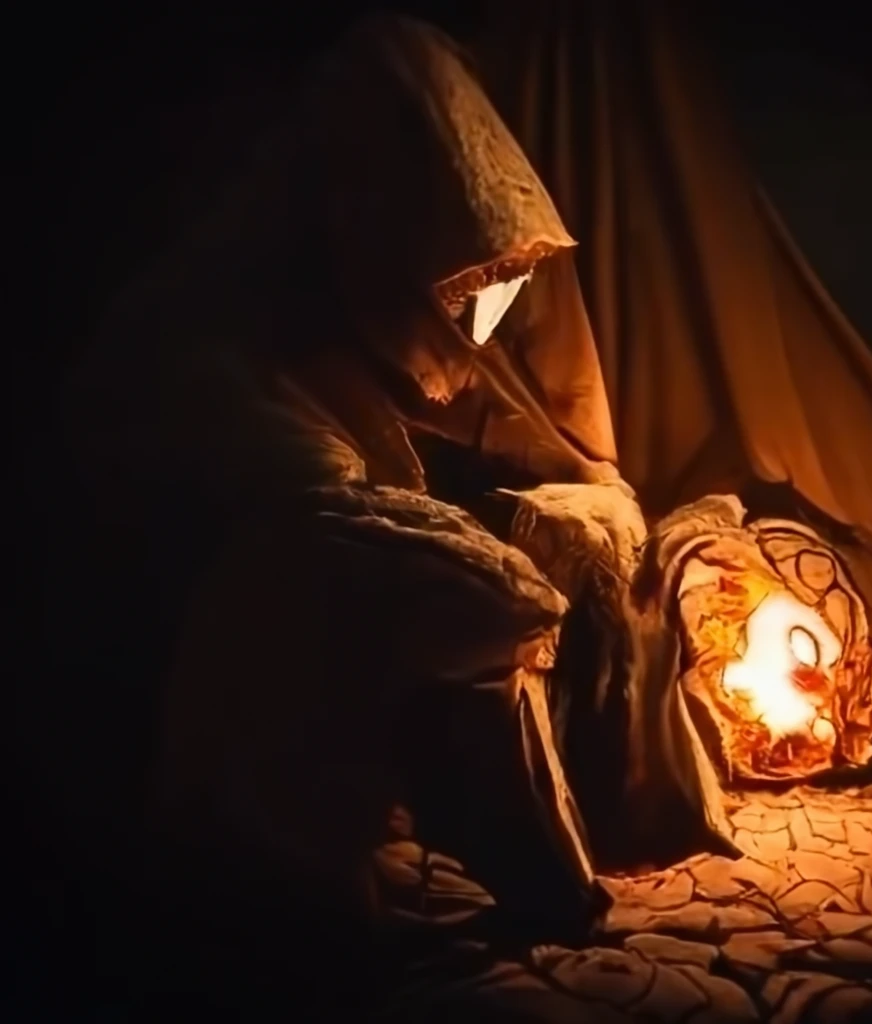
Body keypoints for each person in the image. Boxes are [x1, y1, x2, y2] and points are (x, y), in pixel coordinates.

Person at [63, 13, 644, 977]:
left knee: (480, 588)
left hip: (271, 536)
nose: (468, 306)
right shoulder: (246, 318)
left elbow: (458, 370)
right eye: (454, 278)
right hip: (194, 600)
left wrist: (583, 470)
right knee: (484, 598)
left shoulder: (330, 268)